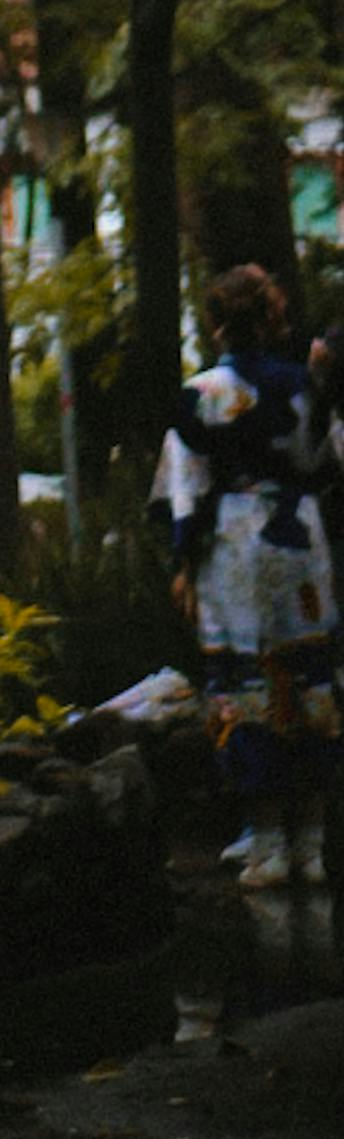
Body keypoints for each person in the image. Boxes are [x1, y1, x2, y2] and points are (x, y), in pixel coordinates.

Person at [163, 263, 339, 895]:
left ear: (215, 326)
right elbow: (327, 463)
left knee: (245, 682)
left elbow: (185, 488)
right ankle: (312, 845)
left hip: (234, 545)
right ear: (272, 319)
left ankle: (265, 843)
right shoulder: (305, 389)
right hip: (299, 541)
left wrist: (185, 560)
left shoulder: (202, 395)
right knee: (309, 679)